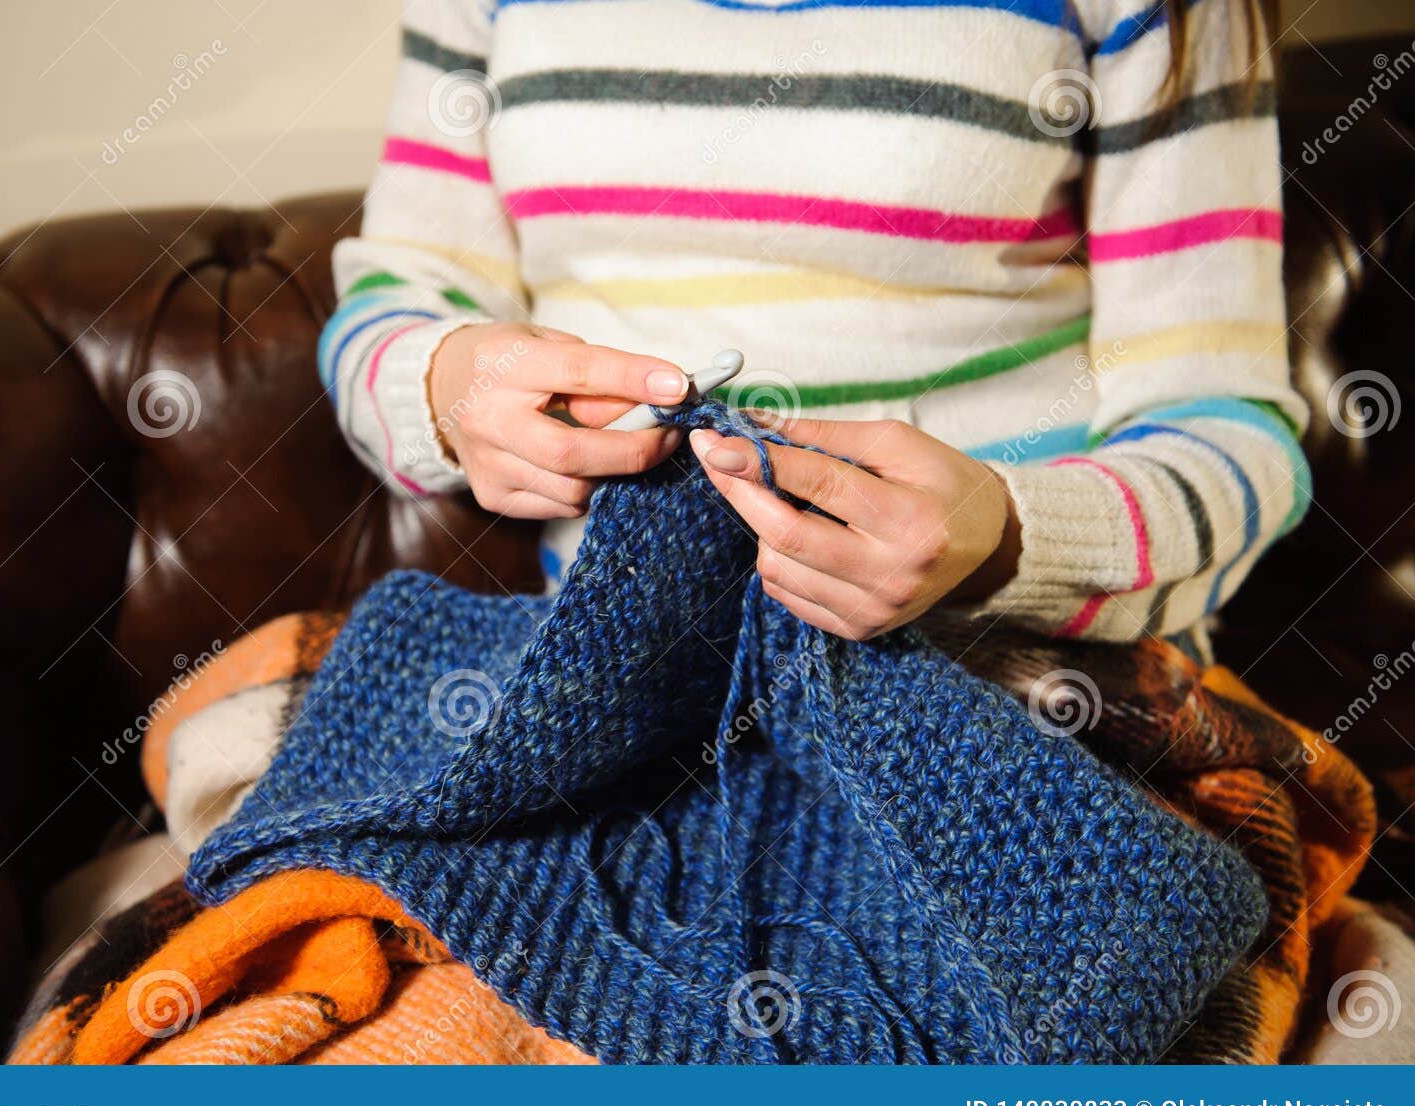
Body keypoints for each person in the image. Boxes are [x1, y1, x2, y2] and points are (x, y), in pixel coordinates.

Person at [319, 0, 1302, 649]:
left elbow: (1224, 432)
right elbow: (399, 299)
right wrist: (447, 387)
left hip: (1025, 699)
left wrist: (1007, 537)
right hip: (621, 713)